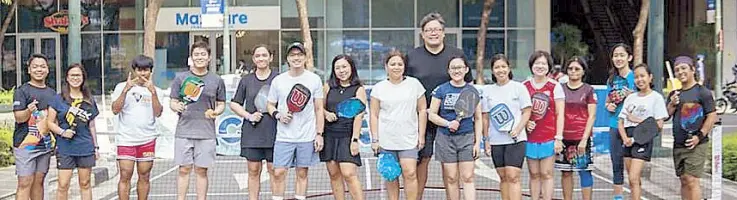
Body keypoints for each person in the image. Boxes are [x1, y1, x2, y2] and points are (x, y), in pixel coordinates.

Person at [405, 12, 471, 199]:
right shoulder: (412, 56)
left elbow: (468, 88)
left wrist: (461, 117)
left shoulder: (456, 55)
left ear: (443, 33)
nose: (433, 33)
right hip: (421, 120)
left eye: (437, 29)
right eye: (429, 30)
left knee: (451, 171)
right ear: (422, 34)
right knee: (421, 163)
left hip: (451, 122)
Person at [266, 42, 325, 200]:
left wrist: (319, 134)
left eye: (299, 55)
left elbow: (319, 109)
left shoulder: (314, 80)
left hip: (307, 136)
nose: (296, 58)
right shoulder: (279, 80)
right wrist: (279, 115)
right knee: (278, 172)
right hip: (284, 137)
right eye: (293, 55)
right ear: (287, 59)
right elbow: (270, 105)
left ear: (305, 57)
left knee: (302, 172)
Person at [169, 41, 227, 200]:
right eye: (196, 54)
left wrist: (216, 112)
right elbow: (173, 101)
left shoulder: (217, 80)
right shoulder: (180, 78)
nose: (200, 57)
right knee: (183, 169)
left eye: (203, 54)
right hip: (184, 131)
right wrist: (177, 107)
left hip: (206, 133)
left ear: (209, 58)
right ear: (191, 57)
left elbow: (222, 103)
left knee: (202, 171)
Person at [370, 50, 427, 200]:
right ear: (386, 67)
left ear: (404, 66)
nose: (396, 67)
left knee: (410, 173)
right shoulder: (379, 88)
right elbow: (374, 115)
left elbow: (422, 110)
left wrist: (421, 135)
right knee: (390, 175)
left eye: (400, 64)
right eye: (392, 64)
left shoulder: (414, 85)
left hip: (409, 139)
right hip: (386, 140)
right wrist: (375, 139)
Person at [427, 56, 482, 200]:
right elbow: (431, 115)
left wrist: (477, 143)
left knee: (468, 176)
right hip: (445, 139)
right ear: (448, 70)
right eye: (453, 68)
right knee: (451, 178)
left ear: (466, 70)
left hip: (467, 137)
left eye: (459, 67)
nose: (456, 71)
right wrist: (447, 123)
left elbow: (478, 118)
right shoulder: (441, 90)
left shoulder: (473, 91)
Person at [111, 55, 164, 200]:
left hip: (147, 139)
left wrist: (152, 93)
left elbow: (158, 113)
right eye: (139, 70)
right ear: (134, 71)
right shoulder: (121, 87)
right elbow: (115, 109)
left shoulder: (157, 91)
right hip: (126, 139)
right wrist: (125, 91)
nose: (142, 74)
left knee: (144, 175)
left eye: (146, 70)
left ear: (151, 71)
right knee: (125, 174)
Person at [230, 45, 279, 200]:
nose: (261, 58)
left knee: (275, 171)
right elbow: (234, 103)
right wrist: (249, 116)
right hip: (252, 133)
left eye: (264, 55)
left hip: (275, 132)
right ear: (253, 59)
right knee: (253, 170)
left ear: (271, 57)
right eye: (257, 56)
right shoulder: (246, 80)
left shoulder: (279, 79)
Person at [666, 56, 718, 200]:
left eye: (684, 68)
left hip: (696, 144)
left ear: (692, 70)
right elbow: (666, 116)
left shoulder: (703, 93)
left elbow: (712, 116)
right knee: (683, 180)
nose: (680, 72)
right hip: (678, 143)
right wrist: (672, 104)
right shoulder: (674, 94)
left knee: (692, 179)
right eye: (677, 70)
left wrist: (698, 137)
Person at [481, 54, 531, 200]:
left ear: (509, 68)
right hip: (496, 141)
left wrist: (518, 129)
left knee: (513, 176)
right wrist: (486, 139)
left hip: (516, 140)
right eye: (497, 67)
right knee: (503, 177)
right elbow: (485, 117)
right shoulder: (487, 90)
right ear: (492, 70)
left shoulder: (519, 88)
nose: (500, 70)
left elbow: (527, 111)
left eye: (503, 66)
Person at [47, 63, 100, 200]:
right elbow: (49, 122)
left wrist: (96, 147)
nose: (75, 78)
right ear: (67, 78)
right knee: (63, 184)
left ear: (83, 78)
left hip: (85, 146)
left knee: (85, 183)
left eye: (78, 75)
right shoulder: (58, 99)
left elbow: (92, 125)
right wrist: (63, 132)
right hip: (65, 147)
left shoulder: (89, 100)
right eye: (72, 75)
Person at [618, 63, 669, 200]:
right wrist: (625, 139)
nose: (639, 79)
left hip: (643, 140)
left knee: (634, 177)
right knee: (632, 180)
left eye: (642, 76)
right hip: (628, 140)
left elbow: (658, 125)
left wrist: (637, 120)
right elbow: (621, 122)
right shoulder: (630, 98)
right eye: (636, 77)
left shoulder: (656, 98)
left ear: (650, 77)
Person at [320, 54, 366, 200]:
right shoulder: (328, 86)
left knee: (349, 174)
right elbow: (319, 108)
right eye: (337, 67)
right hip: (330, 135)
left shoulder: (358, 89)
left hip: (347, 135)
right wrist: (326, 113)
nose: (341, 70)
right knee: (334, 175)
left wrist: (355, 140)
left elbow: (359, 116)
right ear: (334, 70)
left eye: (344, 66)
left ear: (351, 68)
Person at [12, 53, 56, 200]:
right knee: (25, 182)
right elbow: (19, 118)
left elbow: (54, 121)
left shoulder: (52, 93)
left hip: (45, 145)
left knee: (39, 182)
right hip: (25, 145)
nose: (39, 69)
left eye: (42, 66)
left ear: (47, 70)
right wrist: (29, 110)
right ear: (29, 70)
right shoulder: (22, 91)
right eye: (35, 66)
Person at [523, 50, 565, 200]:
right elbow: (520, 112)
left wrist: (558, 138)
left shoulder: (555, 87)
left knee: (547, 174)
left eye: (544, 63)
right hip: (529, 138)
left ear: (549, 67)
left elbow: (560, 114)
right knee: (534, 174)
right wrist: (526, 122)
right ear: (531, 66)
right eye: (537, 63)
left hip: (549, 138)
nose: (540, 66)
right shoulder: (524, 86)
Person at [556, 57, 596, 200]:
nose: (573, 71)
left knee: (584, 171)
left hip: (582, 137)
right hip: (564, 137)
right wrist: (558, 138)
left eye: (577, 69)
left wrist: (584, 139)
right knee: (566, 172)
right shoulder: (559, 89)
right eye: (570, 68)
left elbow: (591, 116)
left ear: (583, 71)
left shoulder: (589, 90)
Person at [605, 43, 635, 200]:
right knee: (617, 166)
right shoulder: (611, 80)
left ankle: (634, 196)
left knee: (633, 169)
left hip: (631, 128)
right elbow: (607, 103)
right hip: (614, 126)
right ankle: (618, 197)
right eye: (615, 55)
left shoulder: (636, 77)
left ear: (629, 57)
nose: (618, 58)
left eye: (622, 55)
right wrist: (608, 106)